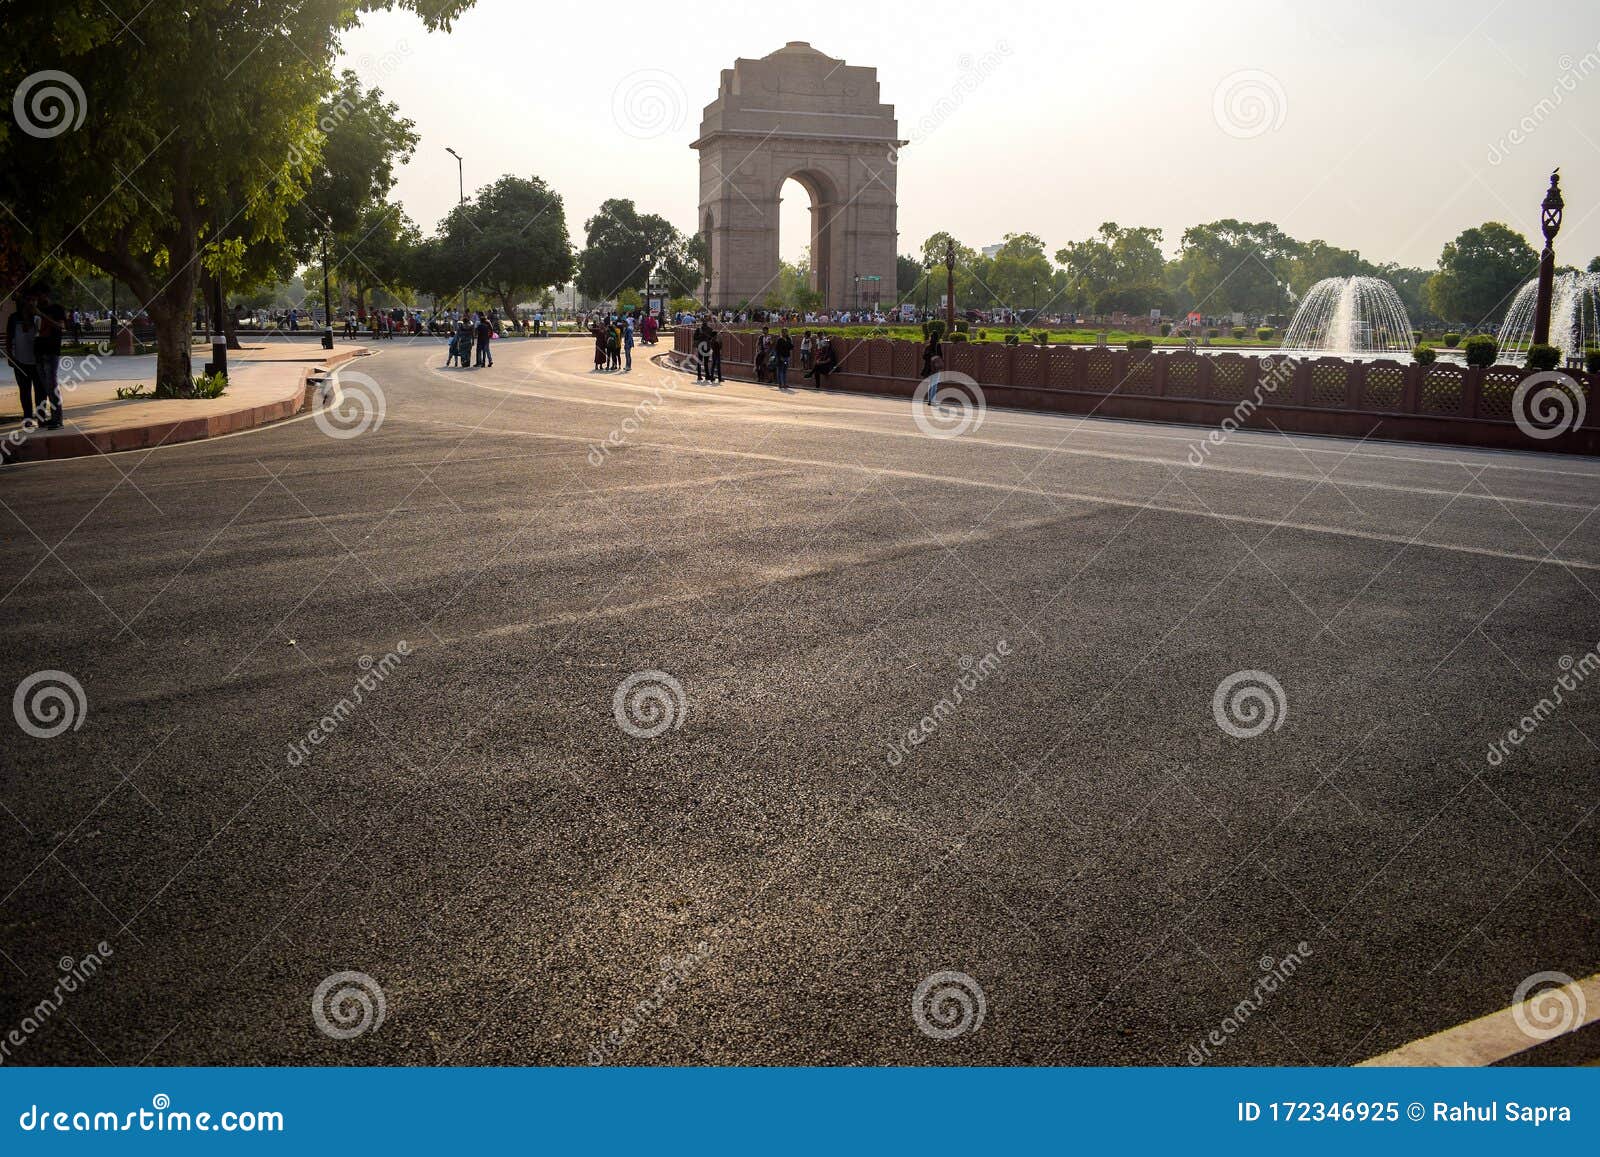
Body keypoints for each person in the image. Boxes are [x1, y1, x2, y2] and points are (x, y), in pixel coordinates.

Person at [5, 288, 40, 426]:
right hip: (20, 360)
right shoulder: (13, 318)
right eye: (29, 300)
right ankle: (27, 417)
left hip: (36, 360)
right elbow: (9, 338)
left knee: (39, 389)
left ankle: (41, 414)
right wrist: (10, 356)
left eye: (33, 300)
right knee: (24, 390)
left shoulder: (38, 317)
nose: (31, 303)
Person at [33, 285, 66, 428]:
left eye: (40, 295)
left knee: (51, 385)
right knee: (43, 387)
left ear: (46, 295)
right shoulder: (33, 310)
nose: (38, 299)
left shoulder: (57, 309)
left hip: (51, 351)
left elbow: (61, 326)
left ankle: (57, 419)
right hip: (38, 351)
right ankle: (45, 418)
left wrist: (42, 315)